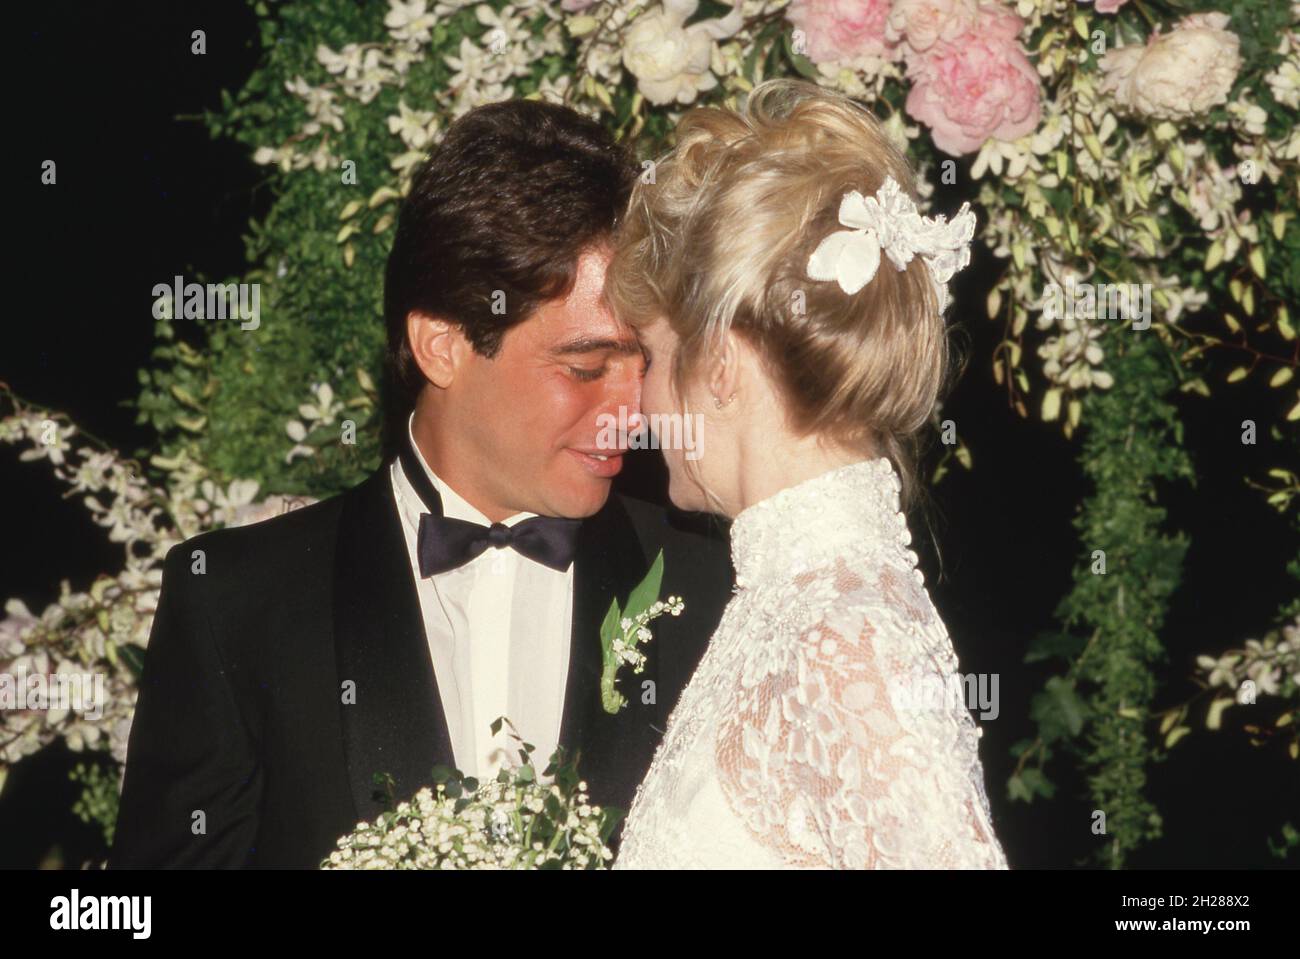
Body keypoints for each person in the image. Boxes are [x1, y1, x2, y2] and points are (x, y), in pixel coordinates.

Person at [109, 98, 733, 868]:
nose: (630, 411)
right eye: (584, 367)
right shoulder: (238, 606)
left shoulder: (712, 587)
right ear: (441, 345)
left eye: (641, 363)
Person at [605, 79, 1009, 869]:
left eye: (649, 358)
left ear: (719, 364)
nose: (637, 399)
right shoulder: (797, 604)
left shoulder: (845, 635)